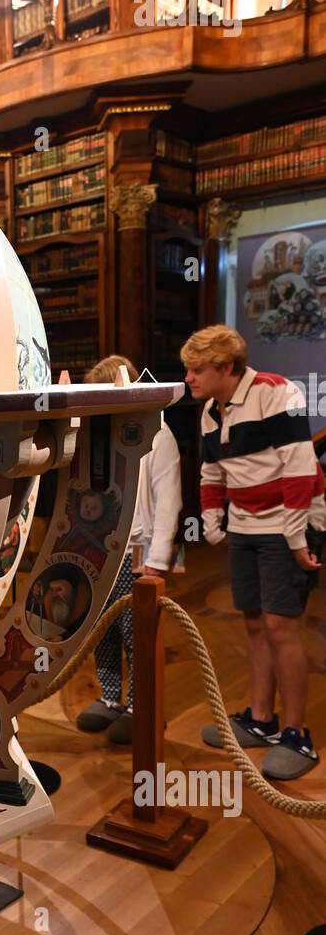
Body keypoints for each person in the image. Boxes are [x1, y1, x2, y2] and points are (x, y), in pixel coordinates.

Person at [182, 324, 322, 779]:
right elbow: (211, 473)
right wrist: (212, 523)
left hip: (288, 524)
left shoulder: (277, 393)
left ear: (226, 367)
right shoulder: (210, 412)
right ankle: (261, 720)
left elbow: (301, 471)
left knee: (283, 627)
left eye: (197, 369)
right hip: (245, 525)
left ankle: (297, 735)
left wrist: (298, 539)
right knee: (256, 623)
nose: (189, 378)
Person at [76, 354, 182, 744]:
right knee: (102, 630)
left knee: (138, 633)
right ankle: (110, 697)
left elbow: (169, 500)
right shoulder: (99, 436)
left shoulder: (159, 435)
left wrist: (157, 560)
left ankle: (143, 704)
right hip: (103, 549)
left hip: (140, 549)